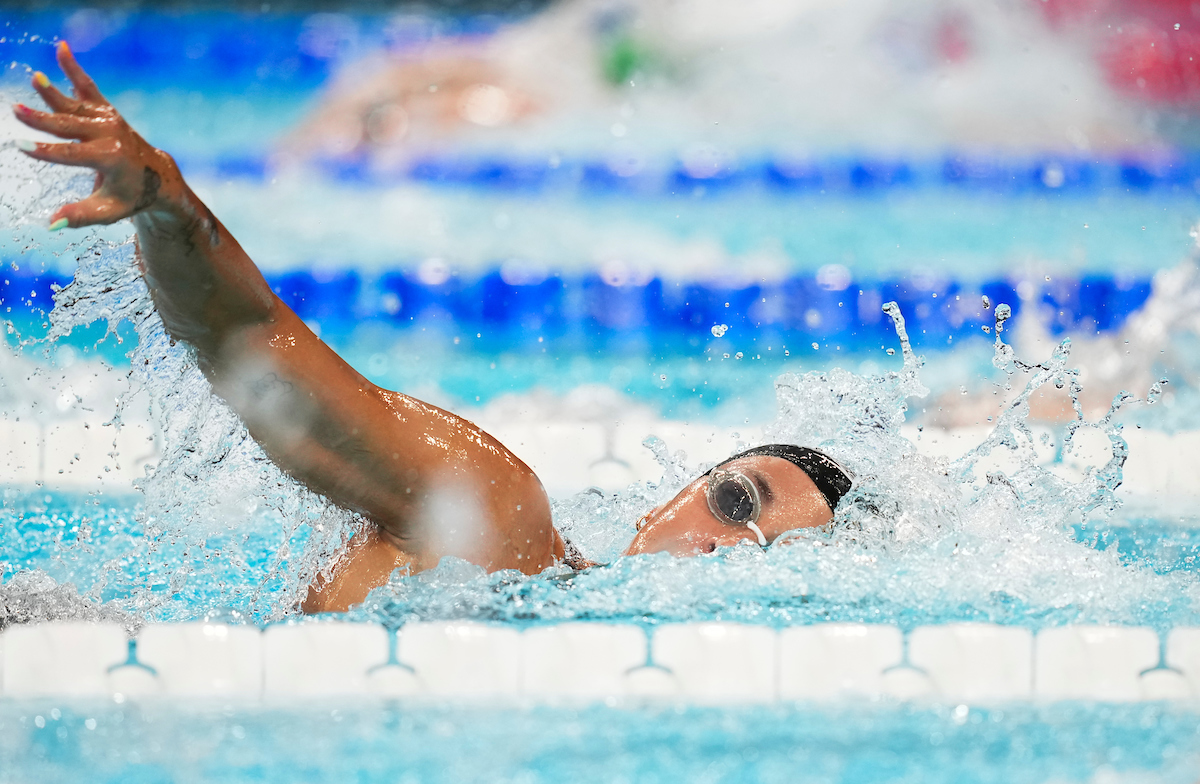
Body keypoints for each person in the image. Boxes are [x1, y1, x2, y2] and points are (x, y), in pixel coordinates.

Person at [12, 43, 852, 613]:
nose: (716, 550)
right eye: (733, 499)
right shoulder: (498, 511)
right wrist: (170, 208)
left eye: (764, 555)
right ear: (665, 496)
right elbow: (260, 356)